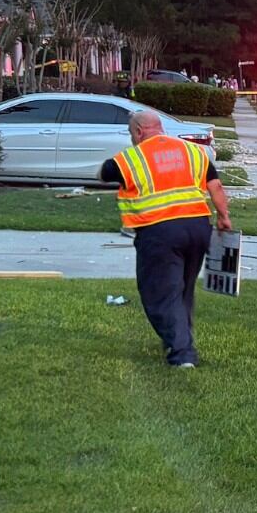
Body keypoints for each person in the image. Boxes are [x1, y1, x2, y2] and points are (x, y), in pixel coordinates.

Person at [104, 109, 233, 367]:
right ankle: (178, 337)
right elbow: (215, 186)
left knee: (160, 291)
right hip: (198, 229)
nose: (132, 138)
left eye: (132, 133)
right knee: (182, 289)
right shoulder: (193, 152)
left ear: (139, 131)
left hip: (159, 231)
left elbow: (106, 172)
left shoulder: (133, 157)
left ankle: (182, 353)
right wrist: (223, 217)